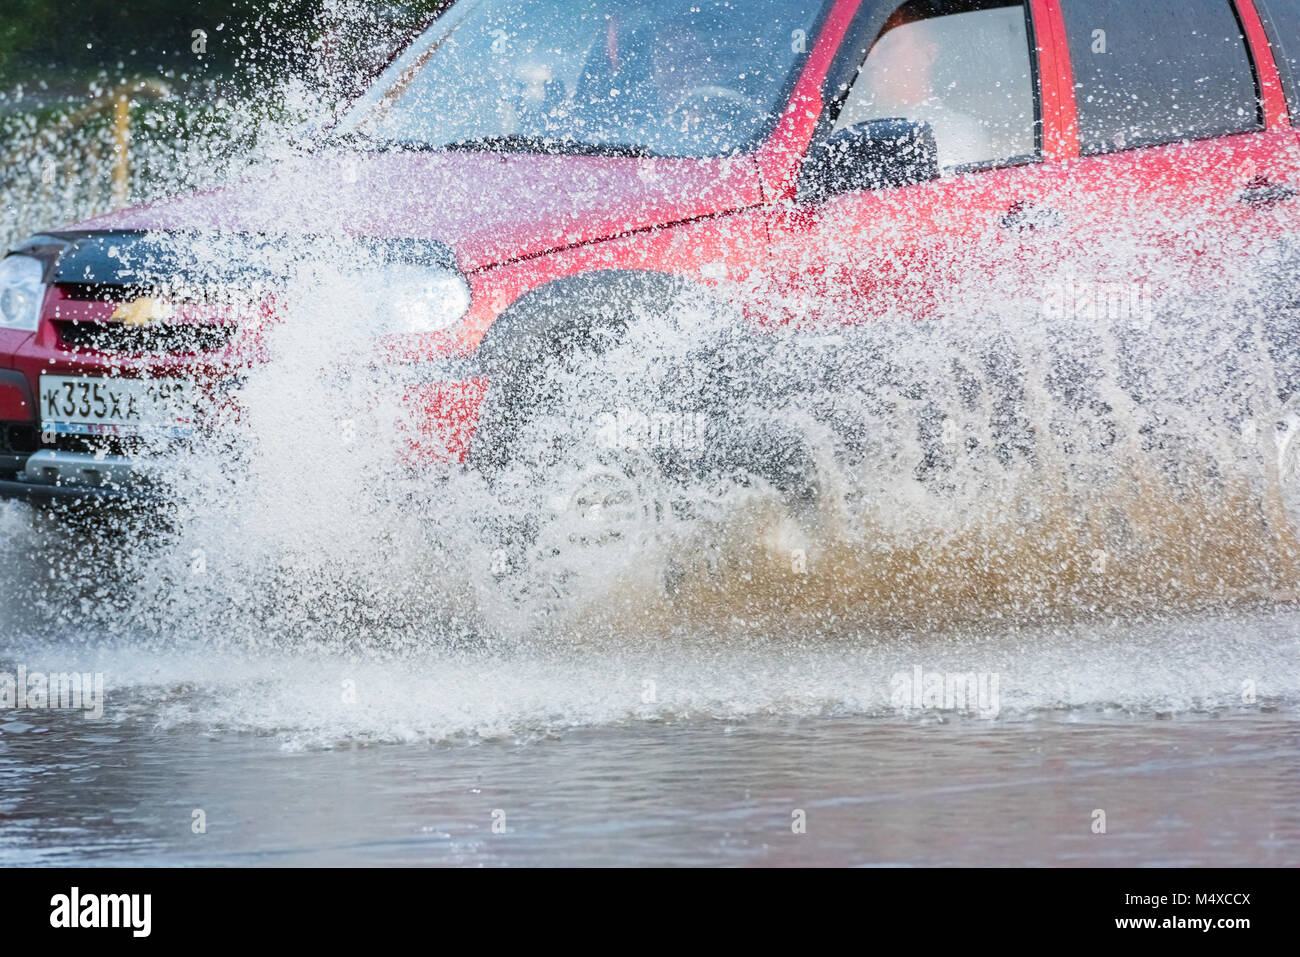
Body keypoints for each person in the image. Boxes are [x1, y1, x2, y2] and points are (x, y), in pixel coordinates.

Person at [837, 4, 996, 170]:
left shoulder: (954, 132)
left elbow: (946, 193)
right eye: (868, 44)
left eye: (888, 42)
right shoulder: (842, 127)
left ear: (928, 54)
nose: (871, 55)